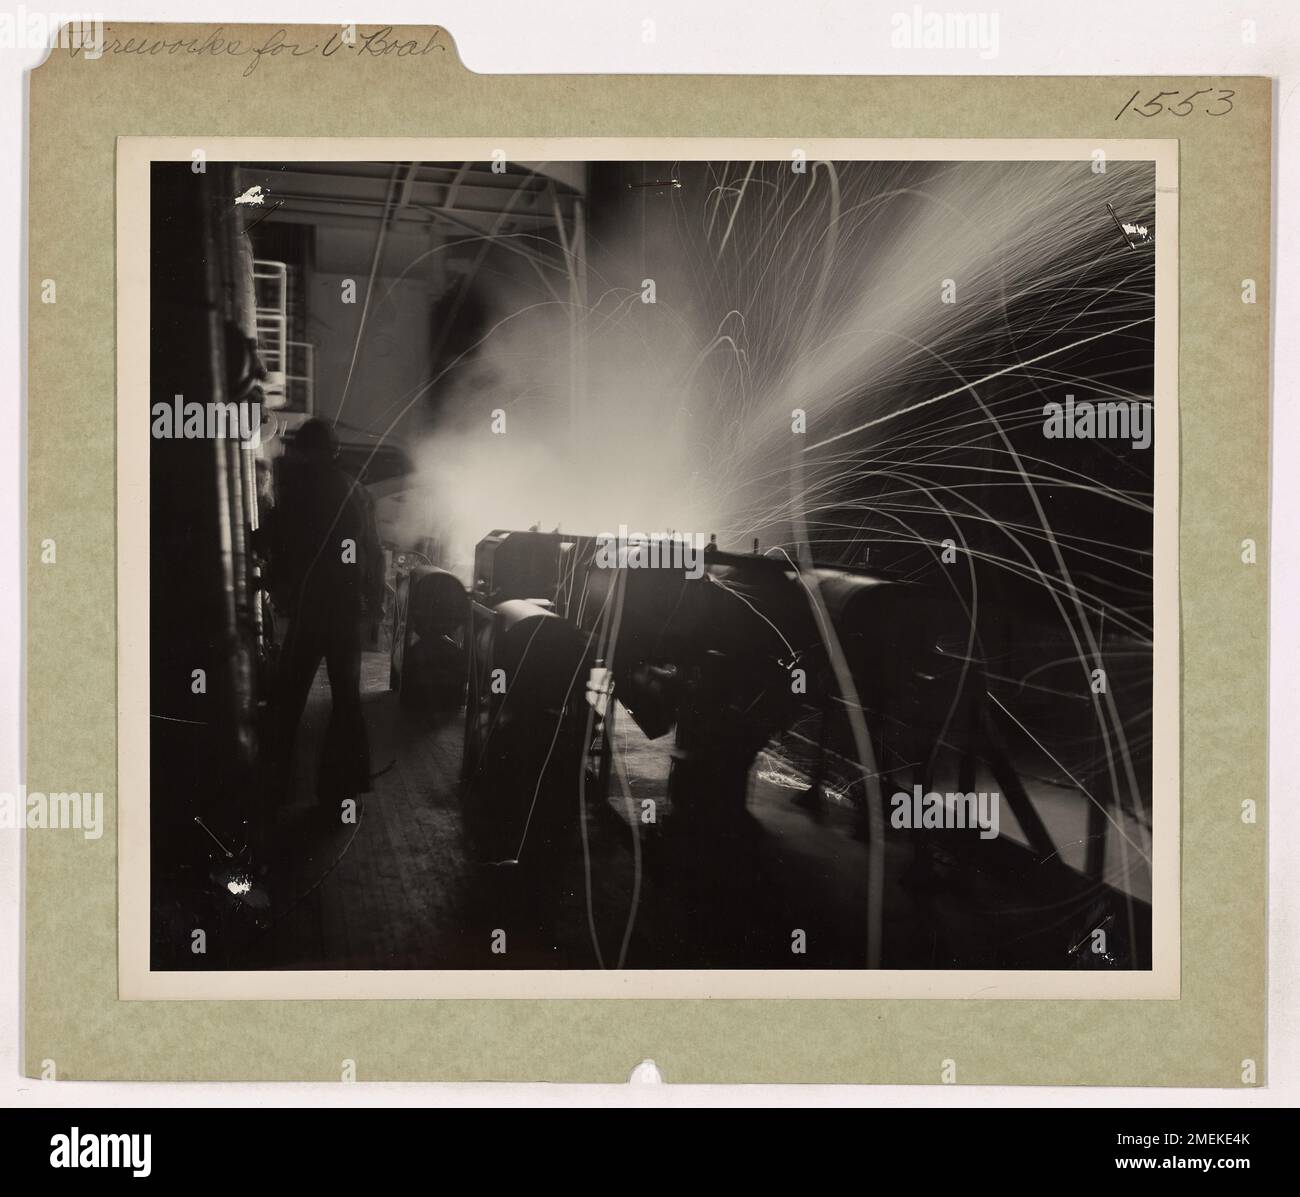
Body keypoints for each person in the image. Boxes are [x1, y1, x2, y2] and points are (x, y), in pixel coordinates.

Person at [267, 418, 385, 814]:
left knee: (288, 699)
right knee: (346, 700)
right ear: (334, 451)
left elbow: (278, 543)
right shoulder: (356, 491)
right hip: (345, 611)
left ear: (304, 450)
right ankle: (341, 789)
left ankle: (274, 786)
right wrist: (374, 606)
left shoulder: (296, 489)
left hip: (309, 609)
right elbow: (374, 552)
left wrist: (273, 578)